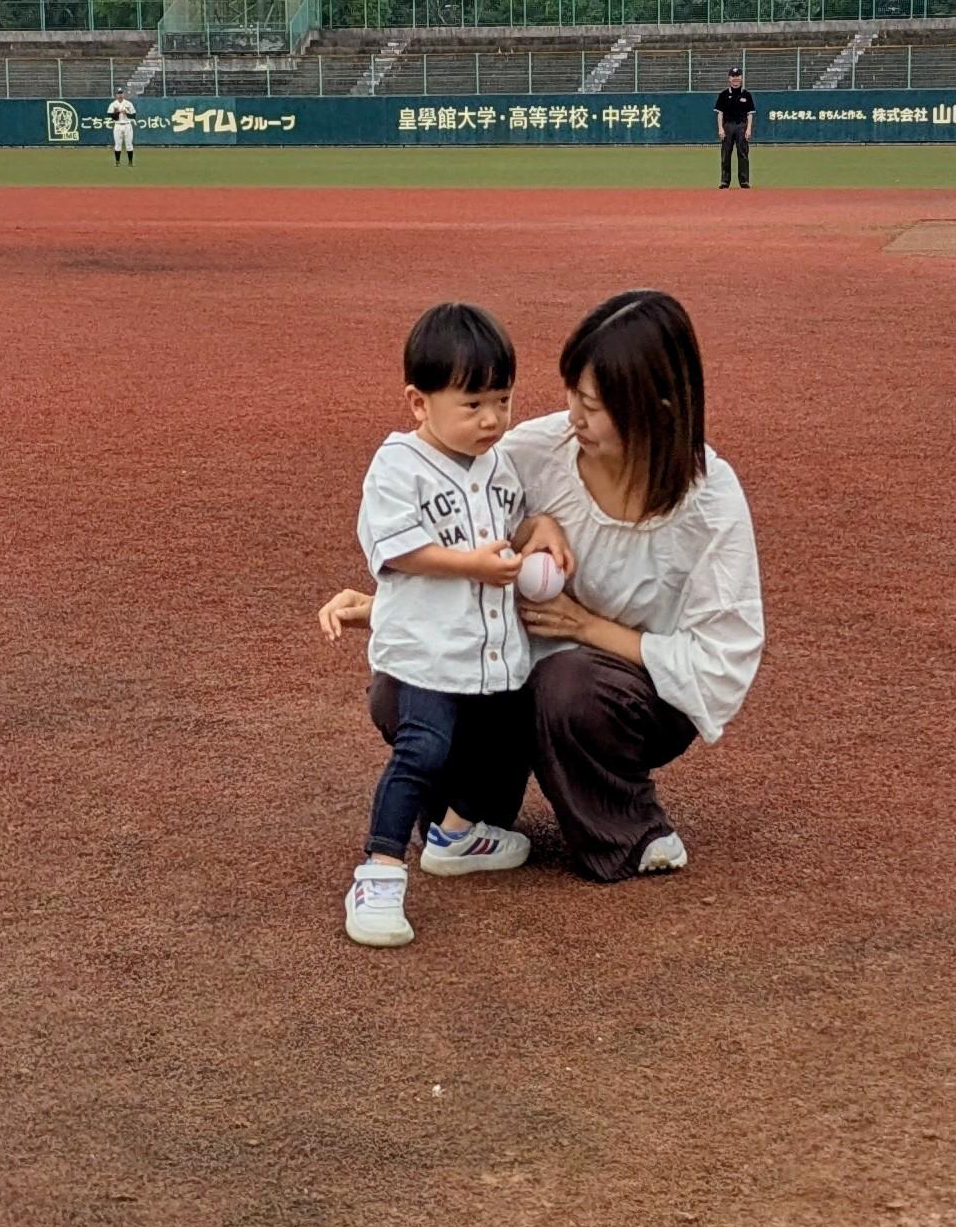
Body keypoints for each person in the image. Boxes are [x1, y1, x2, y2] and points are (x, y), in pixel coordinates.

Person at [321, 290, 764, 884]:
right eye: (572, 395)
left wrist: (588, 630)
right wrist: (388, 606)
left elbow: (721, 661)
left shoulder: (709, 502)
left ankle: (630, 827)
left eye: (594, 405)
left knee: (567, 682)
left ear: (656, 408)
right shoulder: (536, 450)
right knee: (402, 689)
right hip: (518, 669)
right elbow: (471, 536)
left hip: (631, 698)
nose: (573, 417)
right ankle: (469, 820)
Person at [343, 303, 572, 949]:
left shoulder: (498, 465)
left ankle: (453, 833)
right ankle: (379, 872)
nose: (493, 419)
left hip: (489, 651)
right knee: (422, 751)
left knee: (503, 734)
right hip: (423, 651)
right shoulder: (398, 465)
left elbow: (514, 523)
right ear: (419, 403)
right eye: (472, 404)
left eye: (502, 400)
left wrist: (542, 528)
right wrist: (468, 564)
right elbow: (393, 549)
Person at [714, 65, 755, 189]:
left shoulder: (746, 94)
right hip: (728, 126)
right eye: (733, 76)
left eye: (737, 76)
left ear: (741, 78)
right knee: (726, 154)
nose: (735, 79)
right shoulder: (723, 94)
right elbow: (720, 114)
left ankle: (744, 181)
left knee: (743, 153)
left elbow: (750, 114)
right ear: (729, 78)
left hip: (741, 126)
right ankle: (725, 181)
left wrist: (748, 129)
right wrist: (720, 128)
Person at [108, 91, 137, 166]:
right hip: (117, 125)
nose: (120, 95)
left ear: (123, 95)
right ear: (116, 95)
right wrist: (118, 112)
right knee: (117, 144)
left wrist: (126, 113)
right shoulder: (113, 104)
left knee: (129, 144)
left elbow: (134, 115)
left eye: (121, 93)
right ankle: (117, 162)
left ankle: (130, 162)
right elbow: (109, 115)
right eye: (118, 94)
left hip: (127, 125)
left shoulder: (128, 103)